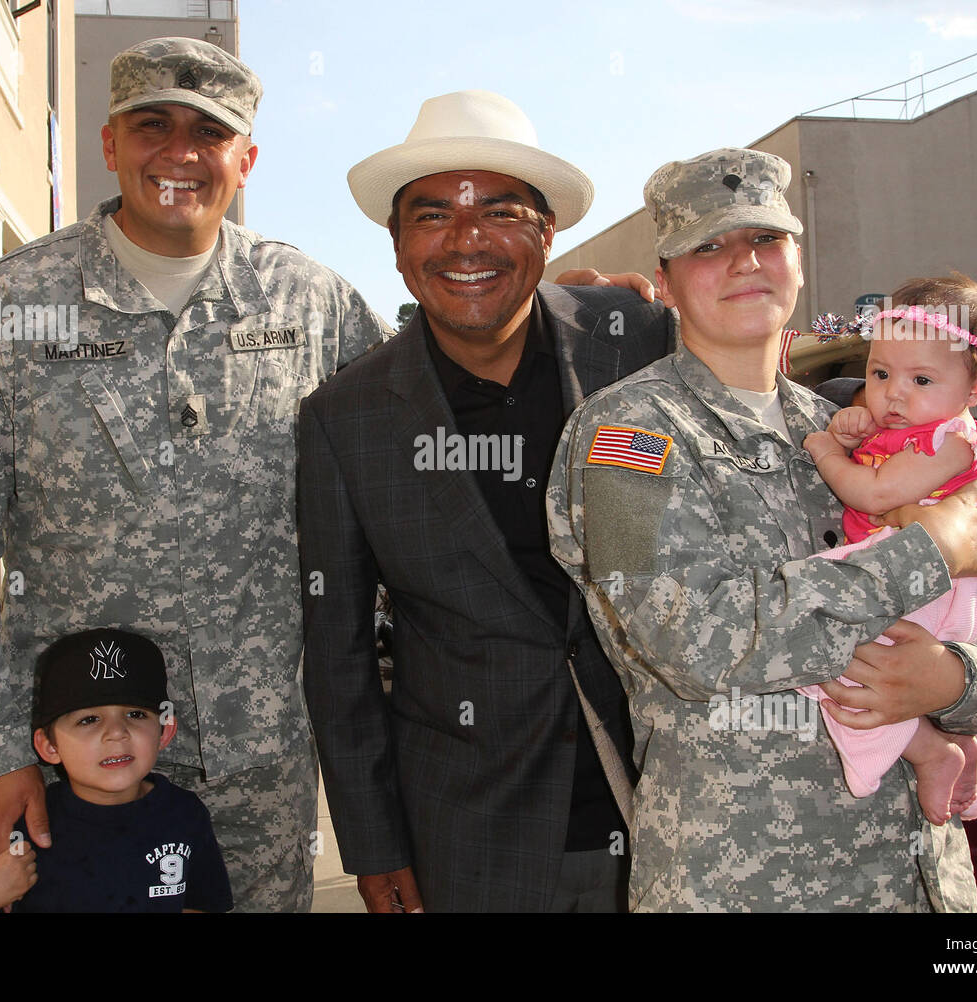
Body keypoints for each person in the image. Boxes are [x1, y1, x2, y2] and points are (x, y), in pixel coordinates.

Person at [0, 37, 389, 912]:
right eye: (152, 125)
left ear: (247, 159)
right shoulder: (9, 311)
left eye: (209, 130)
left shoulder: (315, 307)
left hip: (259, 766)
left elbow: (412, 460)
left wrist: (580, 319)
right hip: (81, 772)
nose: (180, 153)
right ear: (111, 145)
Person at [547, 148, 977, 911]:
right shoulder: (630, 435)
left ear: (799, 265)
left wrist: (956, 680)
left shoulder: (862, 428)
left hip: (915, 873)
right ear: (667, 282)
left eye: (766, 239)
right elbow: (690, 638)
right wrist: (926, 553)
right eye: (709, 245)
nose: (744, 261)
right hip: (748, 880)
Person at [298, 90, 675, 911]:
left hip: (672, 807)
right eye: (431, 216)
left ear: (547, 234)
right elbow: (340, 655)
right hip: (467, 833)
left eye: (500, 211)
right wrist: (372, 840)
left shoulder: (638, 342)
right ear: (397, 247)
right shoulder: (344, 419)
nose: (466, 240)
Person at [801, 276, 977, 826]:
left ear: (976, 389)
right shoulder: (912, 428)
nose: (894, 394)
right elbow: (880, 461)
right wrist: (851, 428)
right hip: (925, 571)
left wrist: (826, 450)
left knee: (830, 649)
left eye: (922, 379)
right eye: (881, 373)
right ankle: (959, 744)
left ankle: (930, 752)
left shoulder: (950, 441)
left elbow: (874, 492)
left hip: (945, 579)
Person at [0, 629, 233, 913]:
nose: (116, 733)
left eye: (136, 714)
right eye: (89, 719)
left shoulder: (186, 814)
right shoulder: (24, 829)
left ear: (165, 732)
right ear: (49, 745)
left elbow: (200, 905)